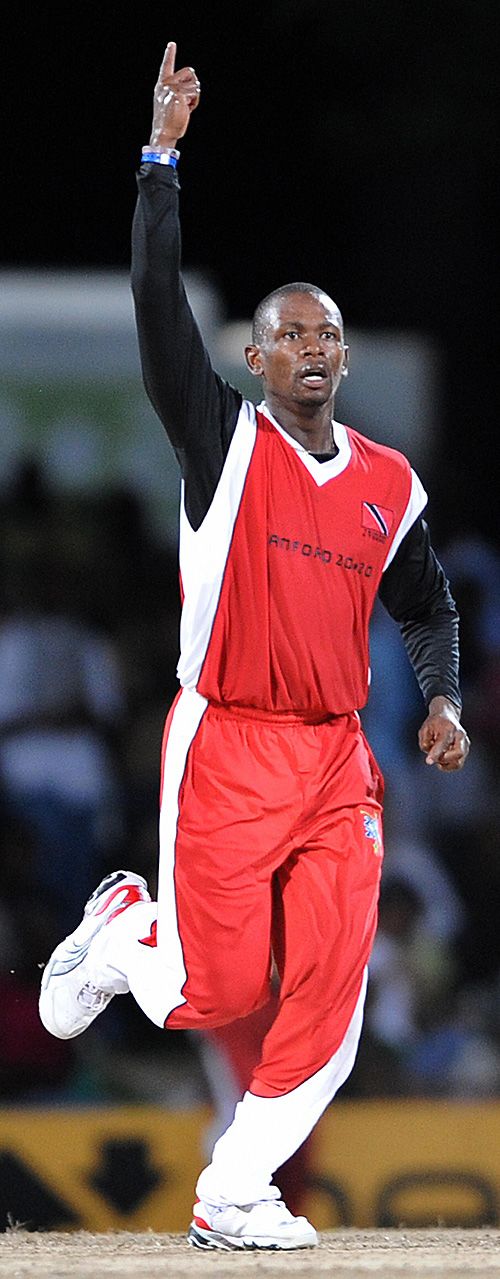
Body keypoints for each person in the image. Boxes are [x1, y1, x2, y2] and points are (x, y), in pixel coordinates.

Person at [39, 41, 470, 1251]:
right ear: (255, 358)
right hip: (224, 745)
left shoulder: (388, 483)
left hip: (335, 762)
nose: (317, 348)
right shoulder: (218, 444)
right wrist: (158, 163)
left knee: (333, 988)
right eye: (293, 335)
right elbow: (151, 302)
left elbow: (429, 608)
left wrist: (439, 701)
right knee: (204, 992)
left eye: (328, 333)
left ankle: (232, 1191)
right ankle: (126, 922)